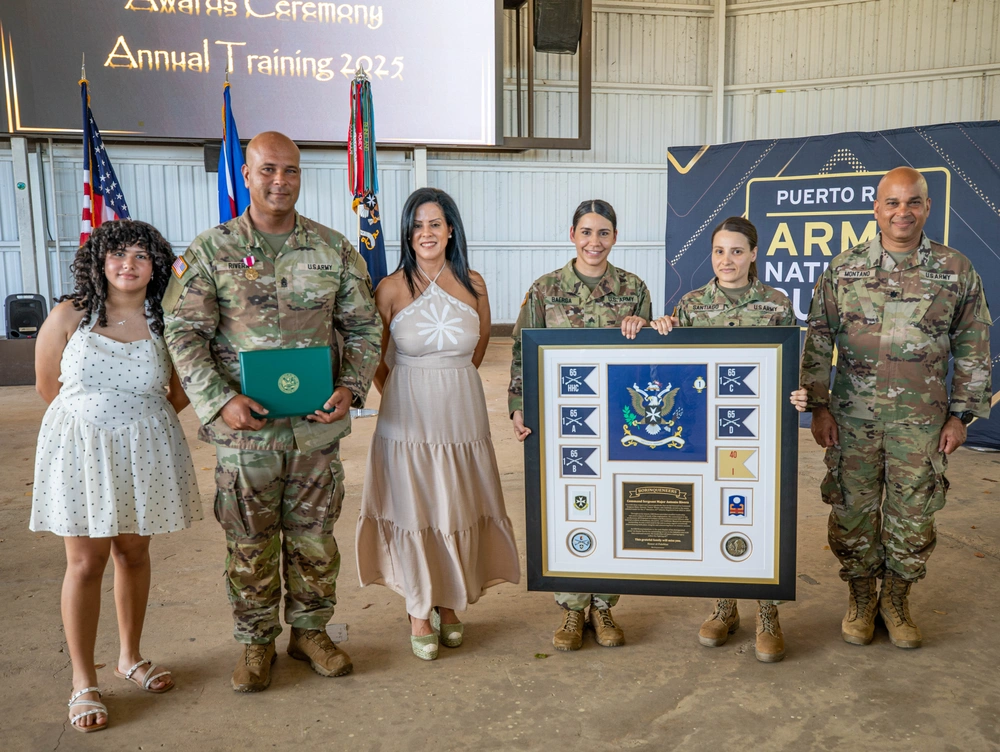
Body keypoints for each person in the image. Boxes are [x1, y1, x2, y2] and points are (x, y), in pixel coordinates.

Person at [162, 131, 381, 691]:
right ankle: (256, 643)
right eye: (267, 170)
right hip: (246, 436)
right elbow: (184, 333)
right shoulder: (212, 250)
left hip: (314, 432)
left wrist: (352, 388)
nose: (279, 181)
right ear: (246, 174)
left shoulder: (333, 250)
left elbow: (362, 326)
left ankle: (310, 633)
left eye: (290, 171)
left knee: (314, 538)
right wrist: (219, 400)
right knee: (249, 540)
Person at [800, 166, 992, 649]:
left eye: (912, 202)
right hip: (852, 422)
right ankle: (862, 598)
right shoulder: (843, 269)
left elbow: (974, 345)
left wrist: (961, 415)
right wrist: (819, 408)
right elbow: (818, 341)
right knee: (852, 515)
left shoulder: (955, 270)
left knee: (914, 518)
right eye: (892, 202)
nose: (902, 212)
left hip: (921, 426)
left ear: (927, 208)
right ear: (876, 209)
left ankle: (897, 600)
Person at [31, 220, 202, 733]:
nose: (128, 264)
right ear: (99, 262)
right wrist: (93, 425)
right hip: (80, 450)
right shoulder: (69, 315)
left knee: (133, 553)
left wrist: (137, 422)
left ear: (156, 267)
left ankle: (130, 656)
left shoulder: (167, 320)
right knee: (85, 563)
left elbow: (180, 389)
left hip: (141, 450)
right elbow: (47, 386)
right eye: (117, 254)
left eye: (141, 256)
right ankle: (84, 679)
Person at [356, 188, 520, 660]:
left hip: (461, 414)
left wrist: (448, 382)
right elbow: (374, 358)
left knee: (458, 506)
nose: (426, 233)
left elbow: (479, 348)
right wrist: (404, 394)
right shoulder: (389, 286)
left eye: (435, 223)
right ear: (407, 234)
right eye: (417, 225)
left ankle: (451, 603)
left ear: (451, 229)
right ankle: (418, 609)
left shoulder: (475, 283)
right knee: (416, 509)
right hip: (407, 416)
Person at [651, 216, 807, 663]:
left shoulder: (776, 304)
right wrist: (662, 333)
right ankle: (724, 607)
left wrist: (799, 392)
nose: (727, 260)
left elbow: (791, 370)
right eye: (720, 251)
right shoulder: (692, 305)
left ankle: (768, 614)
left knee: (763, 517)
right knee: (714, 513)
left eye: (737, 251)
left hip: (761, 434)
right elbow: (672, 374)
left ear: (754, 254)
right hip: (706, 435)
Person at [509, 199, 650, 651]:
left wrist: (642, 326)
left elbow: (648, 359)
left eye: (604, 233)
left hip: (617, 421)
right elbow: (520, 353)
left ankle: (605, 605)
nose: (595, 242)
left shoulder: (634, 288)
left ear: (615, 237)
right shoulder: (546, 290)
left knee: (612, 505)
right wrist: (519, 405)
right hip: (561, 422)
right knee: (567, 506)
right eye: (586, 232)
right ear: (572, 235)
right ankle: (572, 607)